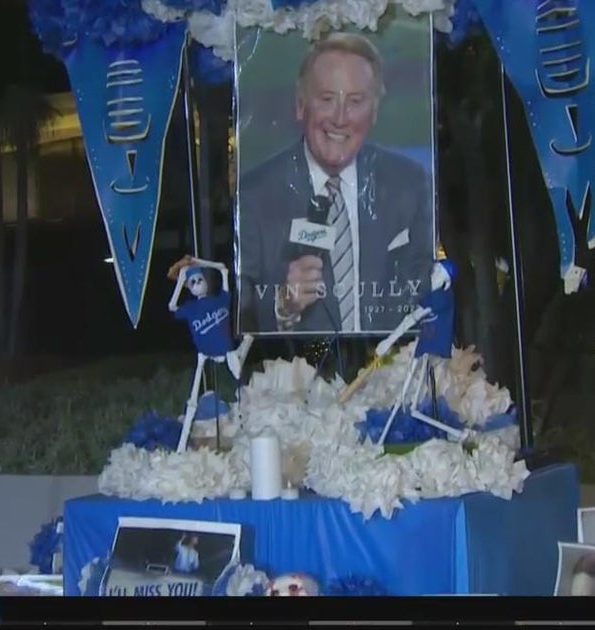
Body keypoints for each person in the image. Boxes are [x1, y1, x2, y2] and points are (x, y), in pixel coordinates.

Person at [237, 32, 434, 335]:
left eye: (355, 101)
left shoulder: (409, 183)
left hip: (391, 374)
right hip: (294, 376)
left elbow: (428, 295)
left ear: (374, 112)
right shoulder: (255, 194)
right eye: (327, 99)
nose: (340, 118)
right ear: (301, 105)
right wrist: (281, 305)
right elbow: (236, 313)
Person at [372, 259, 469, 444]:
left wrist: (388, 342)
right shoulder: (439, 296)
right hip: (426, 344)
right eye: (435, 271)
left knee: (404, 394)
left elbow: (412, 318)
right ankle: (457, 435)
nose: (434, 274)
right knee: (414, 406)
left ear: (446, 280)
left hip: (429, 347)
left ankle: (380, 441)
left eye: (439, 272)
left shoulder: (440, 297)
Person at [168, 257, 255, 452]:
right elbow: (172, 307)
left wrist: (218, 269)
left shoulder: (219, 300)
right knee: (196, 392)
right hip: (204, 354)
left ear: (206, 282)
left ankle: (246, 428)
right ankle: (182, 447)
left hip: (227, 351)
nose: (198, 283)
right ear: (188, 287)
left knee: (239, 379)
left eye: (200, 280)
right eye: (193, 282)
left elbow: (225, 281)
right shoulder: (190, 309)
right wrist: (182, 278)